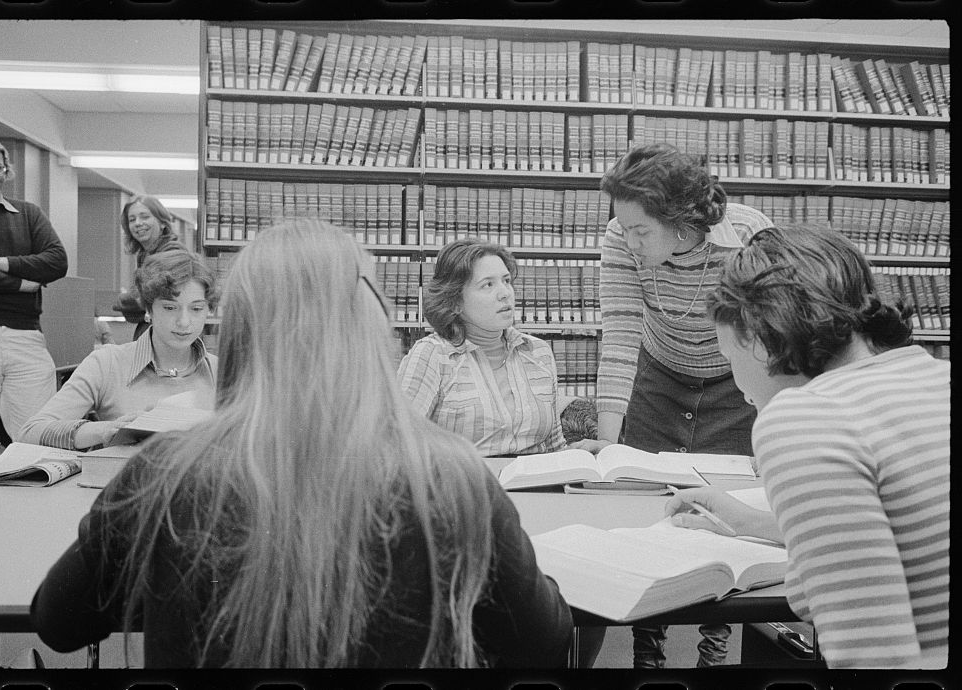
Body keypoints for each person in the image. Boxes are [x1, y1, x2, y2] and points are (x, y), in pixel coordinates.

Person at [29, 219, 573, 668]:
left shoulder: (165, 472)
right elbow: (542, 643)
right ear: (370, 324)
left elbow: (57, 623)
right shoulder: (453, 477)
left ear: (241, 327)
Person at [664, 224, 948, 669]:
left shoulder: (804, 418)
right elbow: (894, 530)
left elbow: (875, 662)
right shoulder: (934, 379)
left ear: (758, 337)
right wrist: (749, 521)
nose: (740, 390)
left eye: (729, 359)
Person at [596, 143, 773, 668]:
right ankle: (647, 650)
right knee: (656, 511)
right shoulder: (618, 240)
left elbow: (775, 341)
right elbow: (623, 331)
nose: (627, 241)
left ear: (678, 222)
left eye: (640, 230)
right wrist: (607, 446)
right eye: (622, 227)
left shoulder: (745, 237)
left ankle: (714, 651)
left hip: (735, 383)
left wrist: (772, 434)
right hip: (661, 375)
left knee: (726, 513)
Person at [398, 238, 604, 457]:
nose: (505, 293)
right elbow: (398, 444)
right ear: (454, 301)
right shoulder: (432, 355)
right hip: (465, 485)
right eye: (488, 284)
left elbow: (553, 445)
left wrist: (581, 456)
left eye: (506, 281)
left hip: (538, 487)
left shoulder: (538, 352)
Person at [18, 249, 217, 450]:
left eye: (196, 309)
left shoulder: (224, 371)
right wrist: (103, 430)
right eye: (170, 308)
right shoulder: (108, 364)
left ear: (208, 310)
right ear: (148, 309)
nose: (184, 322)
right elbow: (32, 431)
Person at [0, 135, 69, 463]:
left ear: (6, 171)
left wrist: (0, 263)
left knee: (38, 440)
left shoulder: (28, 214)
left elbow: (57, 261)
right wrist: (22, 284)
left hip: (27, 337)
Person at [112, 194, 187, 340]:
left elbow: (155, 299)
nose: (138, 223)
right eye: (132, 219)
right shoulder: (144, 255)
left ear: (162, 222)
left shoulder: (171, 253)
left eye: (144, 217)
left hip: (167, 337)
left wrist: (126, 300)